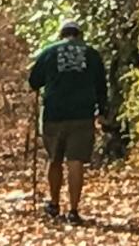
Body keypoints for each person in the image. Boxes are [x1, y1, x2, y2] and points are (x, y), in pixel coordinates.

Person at [29, 20, 108, 224]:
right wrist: (102, 111)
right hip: (82, 114)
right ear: (79, 35)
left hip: (54, 115)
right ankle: (73, 210)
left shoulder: (49, 52)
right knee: (76, 161)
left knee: (54, 159)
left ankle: (54, 204)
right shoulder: (91, 53)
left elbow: (33, 82)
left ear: (61, 34)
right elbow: (101, 85)